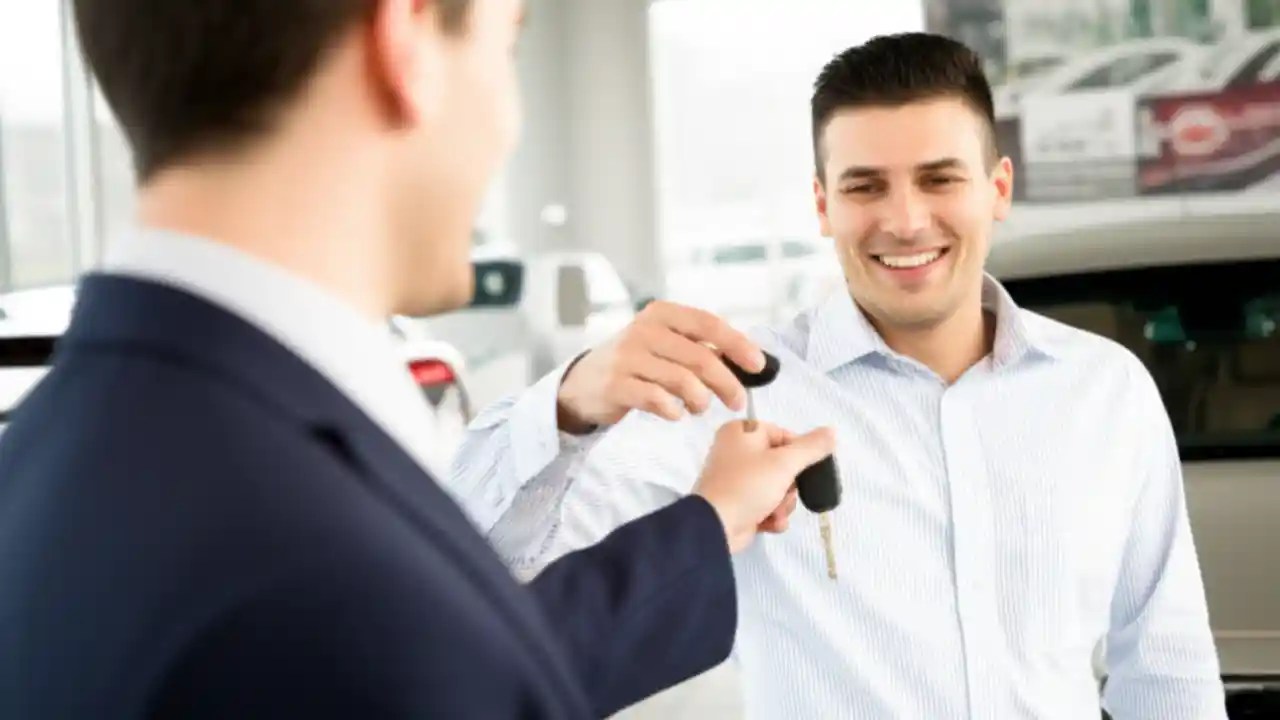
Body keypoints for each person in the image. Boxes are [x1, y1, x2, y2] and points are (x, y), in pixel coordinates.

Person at [0, 1, 837, 718]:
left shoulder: (49, 457)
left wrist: (704, 522)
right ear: (405, 41)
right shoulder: (311, 547)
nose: (509, 122)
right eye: (505, 47)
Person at [449, 32, 1227, 718]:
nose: (905, 220)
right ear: (823, 205)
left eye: (939, 179)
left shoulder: (1106, 391)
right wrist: (570, 404)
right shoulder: (734, 396)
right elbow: (478, 567)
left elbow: (1167, 669)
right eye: (865, 186)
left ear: (997, 189)